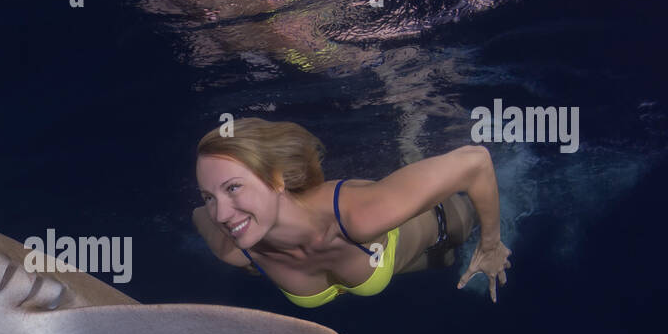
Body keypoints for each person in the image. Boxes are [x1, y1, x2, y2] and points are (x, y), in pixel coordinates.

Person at [193, 118, 511, 305]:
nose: (220, 215)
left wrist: (491, 244)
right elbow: (199, 215)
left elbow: (476, 162)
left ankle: (412, 130)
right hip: (402, 262)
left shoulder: (358, 216)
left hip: (442, 221)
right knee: (448, 262)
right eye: (209, 196)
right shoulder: (233, 249)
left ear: (277, 179)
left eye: (233, 187)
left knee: (463, 230)